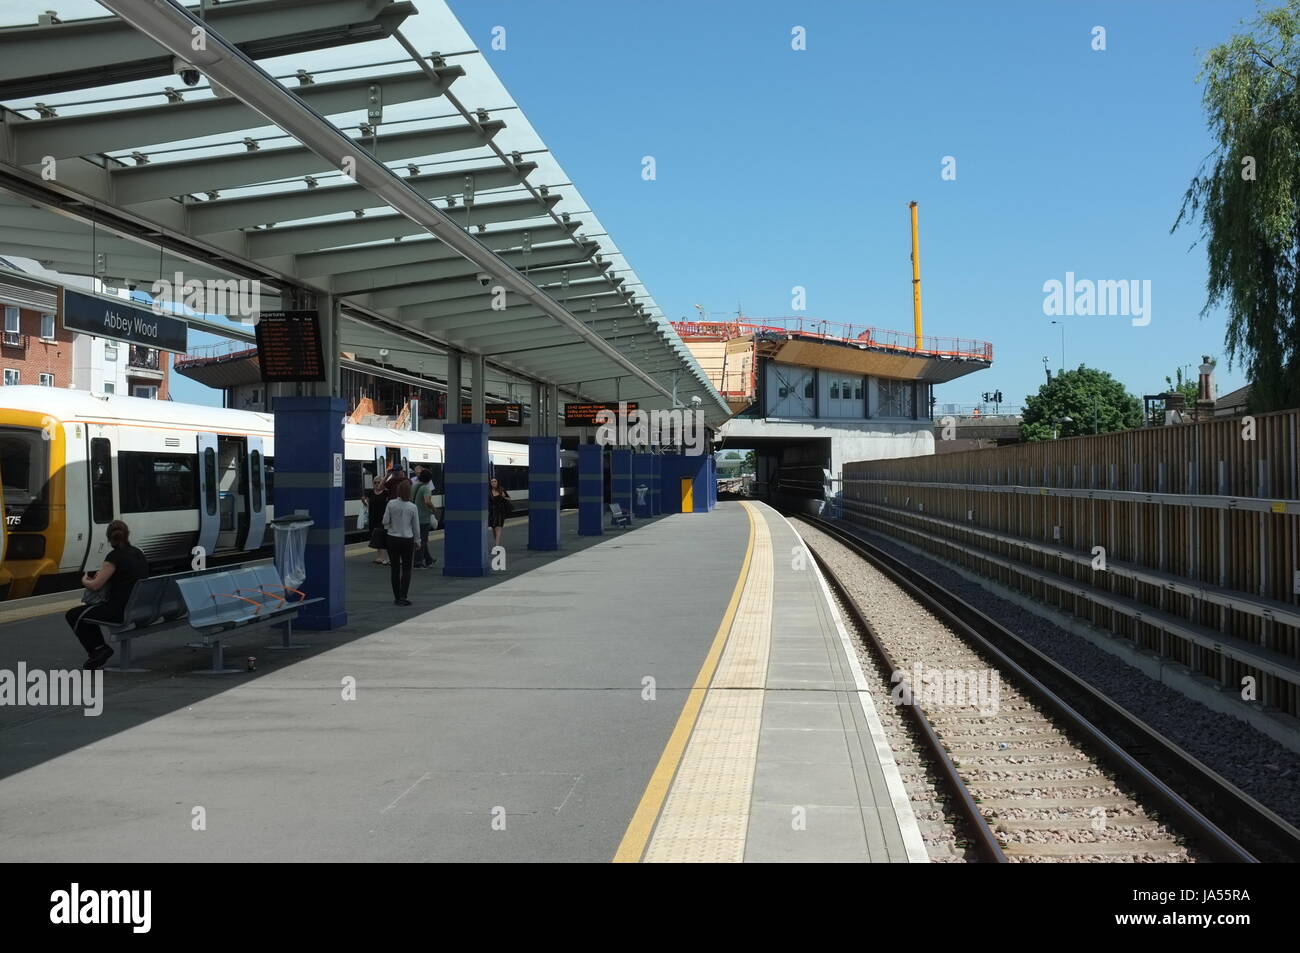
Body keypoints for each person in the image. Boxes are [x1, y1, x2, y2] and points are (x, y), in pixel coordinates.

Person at [66, 520, 149, 670]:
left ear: (108, 538)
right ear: (127, 534)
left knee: (74, 615)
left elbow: (96, 585)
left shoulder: (113, 557)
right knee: (87, 613)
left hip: (120, 611)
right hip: (140, 606)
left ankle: (99, 649)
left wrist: (85, 581)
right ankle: (99, 649)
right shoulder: (138, 552)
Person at [383, 479, 419, 606]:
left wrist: (390, 526)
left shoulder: (391, 504)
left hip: (392, 539)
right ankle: (403, 596)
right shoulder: (413, 507)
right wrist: (418, 541)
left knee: (395, 569)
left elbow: (385, 520)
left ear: (398, 490)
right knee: (407, 569)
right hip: (407, 540)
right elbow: (416, 527)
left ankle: (396, 597)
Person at [412, 468, 437, 569]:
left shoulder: (414, 486)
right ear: (429, 479)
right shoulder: (426, 488)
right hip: (423, 517)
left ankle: (428, 559)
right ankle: (417, 562)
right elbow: (427, 501)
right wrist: (433, 509)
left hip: (414, 516)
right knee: (422, 540)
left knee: (421, 539)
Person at [364, 475, 389, 565]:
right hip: (373, 518)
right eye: (375, 482)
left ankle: (385, 557)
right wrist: (364, 501)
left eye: (379, 482)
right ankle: (379, 557)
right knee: (376, 537)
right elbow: (367, 504)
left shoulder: (386, 493)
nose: (377, 484)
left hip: (383, 518)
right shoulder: (370, 493)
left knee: (383, 537)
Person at [488, 476, 511, 549]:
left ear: (497, 482)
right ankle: (497, 543)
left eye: (495, 481)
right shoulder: (489, 491)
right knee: (494, 528)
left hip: (500, 511)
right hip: (492, 512)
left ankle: (497, 546)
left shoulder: (501, 489)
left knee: (498, 528)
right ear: (490, 483)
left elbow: (509, 498)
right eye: (492, 482)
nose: (493, 483)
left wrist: (503, 497)